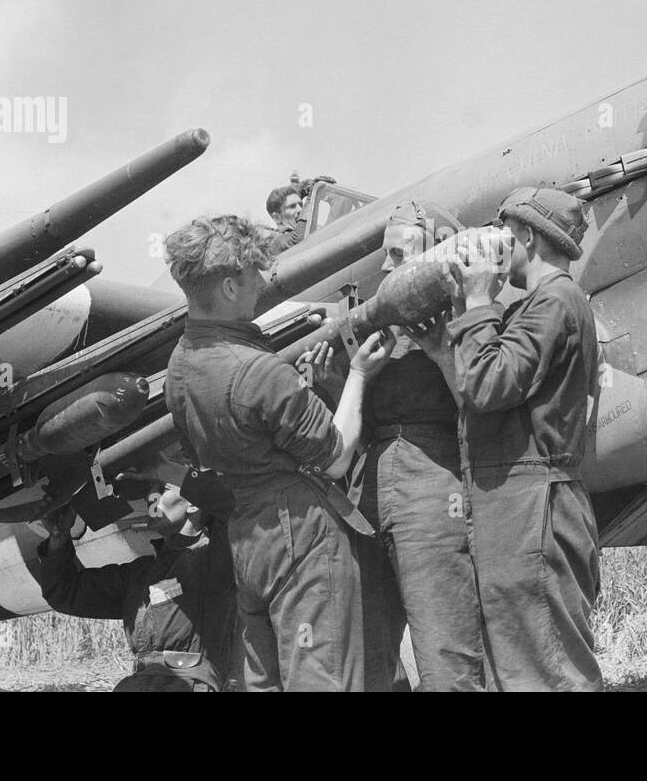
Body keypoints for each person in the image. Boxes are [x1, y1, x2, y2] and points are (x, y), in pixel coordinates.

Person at [162, 214, 394, 691]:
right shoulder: (261, 371)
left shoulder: (179, 364)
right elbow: (335, 456)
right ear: (229, 286)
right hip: (302, 531)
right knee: (322, 673)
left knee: (262, 677)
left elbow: (201, 443)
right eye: (254, 274)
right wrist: (359, 375)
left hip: (248, 534)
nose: (263, 282)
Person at [444, 187, 603, 691]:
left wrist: (475, 300)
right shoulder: (538, 305)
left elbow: (488, 385)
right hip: (517, 506)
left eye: (503, 234)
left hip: (533, 508)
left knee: (548, 668)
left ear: (528, 236)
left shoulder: (553, 300)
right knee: (520, 664)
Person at [356, 200, 485, 691]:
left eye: (398, 255)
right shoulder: (377, 325)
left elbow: (481, 407)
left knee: (444, 647)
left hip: (435, 487)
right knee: (367, 648)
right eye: (384, 256)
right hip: (369, 484)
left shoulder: (470, 321)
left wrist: (439, 352)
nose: (386, 267)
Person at [34, 456, 236, 692]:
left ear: (194, 504)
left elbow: (230, 507)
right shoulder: (140, 575)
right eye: (151, 490)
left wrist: (168, 469)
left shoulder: (216, 560)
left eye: (162, 488)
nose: (152, 498)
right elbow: (65, 592)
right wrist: (59, 536)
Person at [265, 185, 304, 253]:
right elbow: (298, 237)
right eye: (292, 206)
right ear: (277, 217)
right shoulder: (277, 244)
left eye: (301, 205)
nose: (300, 209)